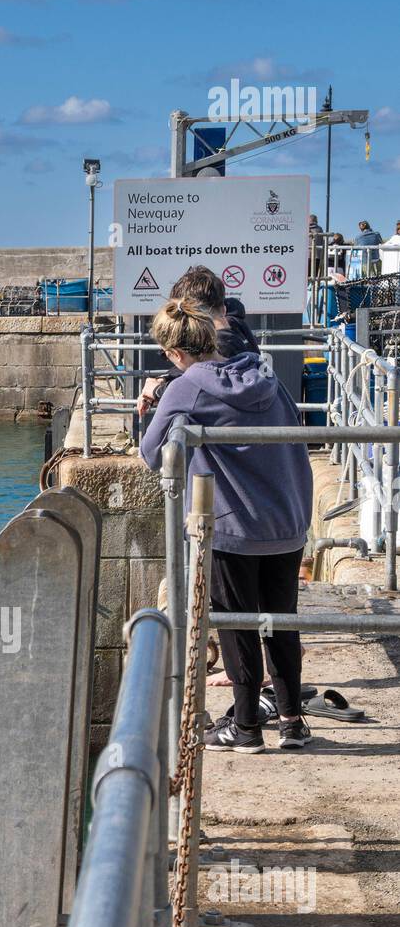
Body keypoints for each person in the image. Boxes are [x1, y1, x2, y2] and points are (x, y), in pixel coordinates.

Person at [140, 299, 313, 753]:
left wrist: (164, 403)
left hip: (236, 525)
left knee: (236, 625)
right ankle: (293, 722)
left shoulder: (187, 386)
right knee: (280, 619)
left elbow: (152, 451)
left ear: (175, 352)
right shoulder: (264, 373)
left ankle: (247, 727)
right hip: (288, 517)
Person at [137, 265, 259, 416]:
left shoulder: (222, 343)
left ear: (192, 315)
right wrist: (165, 378)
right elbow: (198, 367)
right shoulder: (234, 327)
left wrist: (159, 391)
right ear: (223, 308)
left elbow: (207, 390)